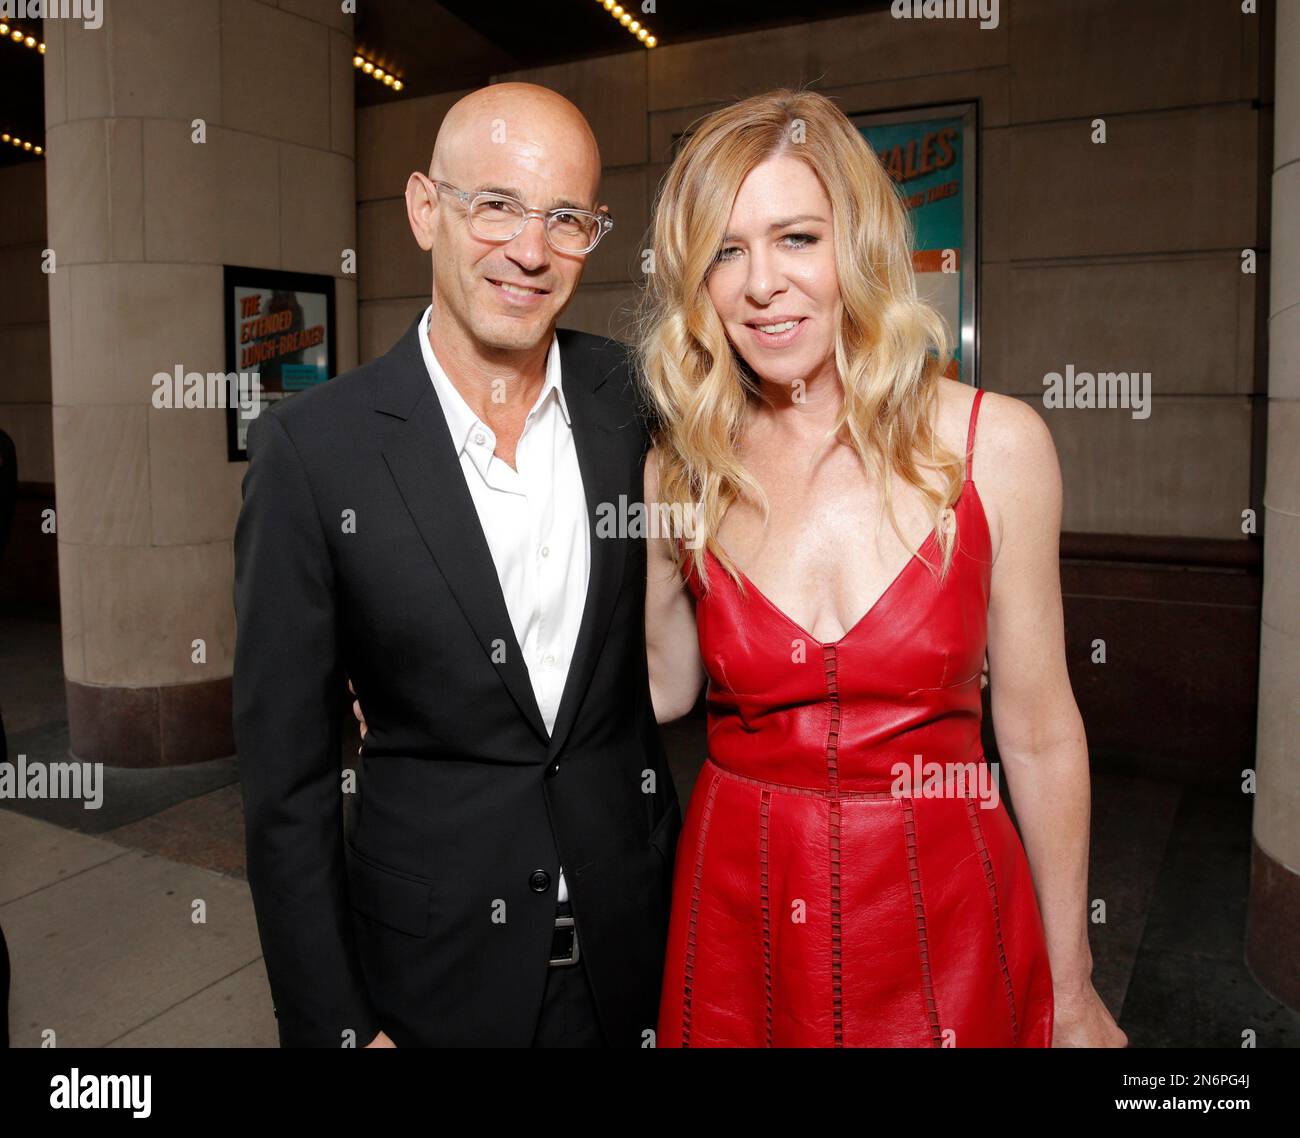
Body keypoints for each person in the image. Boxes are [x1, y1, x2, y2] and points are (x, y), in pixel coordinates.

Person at [639, 90, 1127, 1047]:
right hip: (740, 915)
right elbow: (659, 687)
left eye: (796, 238)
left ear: (855, 245)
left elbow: (1037, 733)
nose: (761, 284)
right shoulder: (680, 466)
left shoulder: (998, 445)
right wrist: (441, 685)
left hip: (945, 905)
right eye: (725, 251)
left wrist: (1069, 990)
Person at [233, 83, 680, 1048]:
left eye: (566, 218)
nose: (531, 249)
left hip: (636, 963)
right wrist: (340, 1032)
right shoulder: (315, 453)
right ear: (425, 208)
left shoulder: (637, 398)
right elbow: (288, 789)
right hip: (428, 989)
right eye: (496, 205)